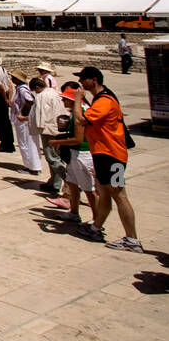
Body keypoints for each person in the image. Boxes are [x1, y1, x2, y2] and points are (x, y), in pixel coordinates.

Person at [71, 67, 142, 253]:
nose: (80, 82)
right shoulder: (100, 99)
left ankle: (132, 239)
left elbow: (80, 120)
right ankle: (96, 227)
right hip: (102, 154)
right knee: (104, 193)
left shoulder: (104, 101)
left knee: (119, 195)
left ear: (94, 80)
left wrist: (77, 100)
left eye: (83, 79)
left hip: (112, 155)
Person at [50, 86, 97, 223]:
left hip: (82, 154)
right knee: (72, 183)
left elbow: (78, 139)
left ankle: (96, 219)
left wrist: (57, 142)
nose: (62, 101)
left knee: (89, 189)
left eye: (65, 99)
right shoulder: (74, 113)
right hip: (74, 154)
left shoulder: (80, 113)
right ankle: (74, 212)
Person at [28, 77, 68, 200]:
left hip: (48, 129)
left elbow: (41, 114)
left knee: (52, 157)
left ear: (37, 87)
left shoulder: (42, 96)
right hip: (59, 127)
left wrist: (38, 128)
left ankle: (69, 181)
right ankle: (54, 183)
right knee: (56, 156)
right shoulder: (54, 92)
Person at [9, 69, 41, 175]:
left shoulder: (22, 90)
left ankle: (30, 166)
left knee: (25, 143)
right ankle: (33, 165)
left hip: (23, 122)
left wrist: (23, 114)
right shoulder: (21, 88)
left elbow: (30, 101)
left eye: (14, 78)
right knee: (28, 142)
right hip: (24, 121)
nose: (12, 79)